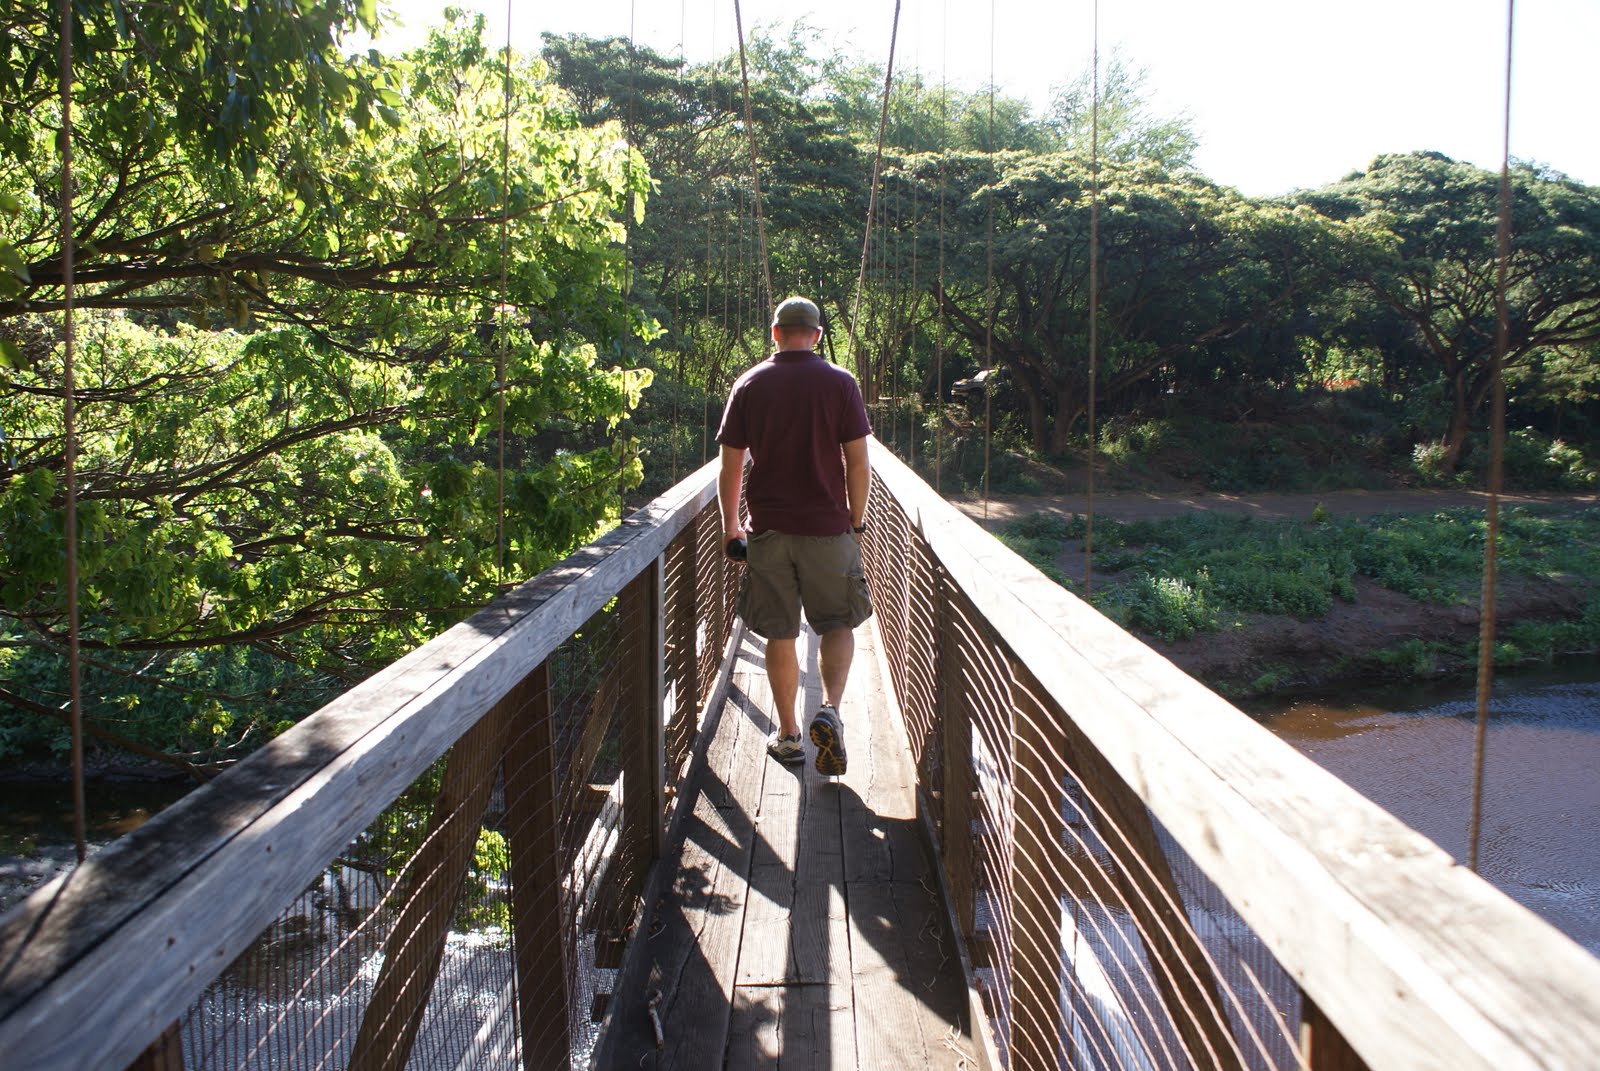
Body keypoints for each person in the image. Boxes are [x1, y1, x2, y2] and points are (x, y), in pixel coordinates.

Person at [716, 296, 873, 775]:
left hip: (768, 530)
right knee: (837, 622)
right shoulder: (841, 383)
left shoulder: (748, 384)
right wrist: (857, 520)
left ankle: (787, 736)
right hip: (828, 528)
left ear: (775, 332)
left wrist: (731, 528)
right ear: (819, 335)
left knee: (780, 631)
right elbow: (858, 460)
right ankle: (829, 710)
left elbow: (731, 467)